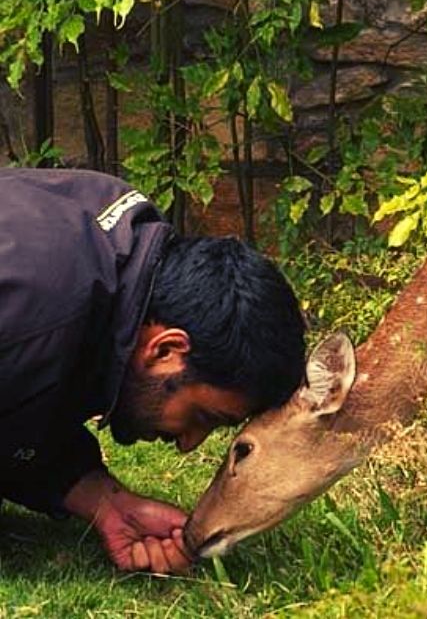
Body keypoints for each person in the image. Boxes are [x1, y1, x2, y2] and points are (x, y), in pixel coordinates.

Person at [0, 168, 307, 575]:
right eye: (204, 417)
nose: (188, 445)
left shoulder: (126, 251)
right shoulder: (32, 315)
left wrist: (104, 501)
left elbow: (24, 411)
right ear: (166, 349)